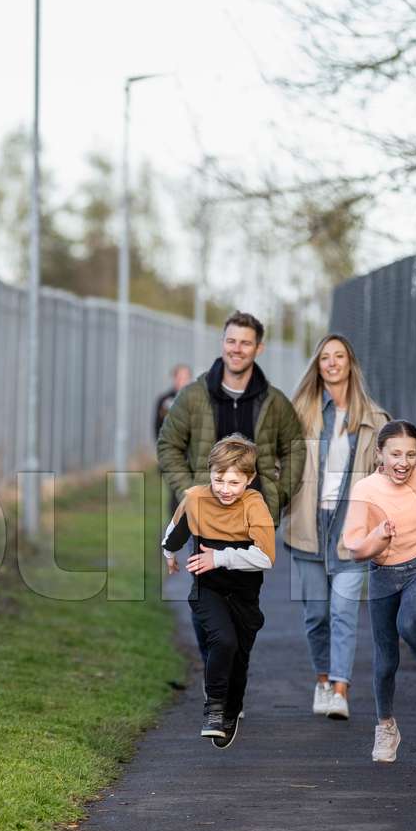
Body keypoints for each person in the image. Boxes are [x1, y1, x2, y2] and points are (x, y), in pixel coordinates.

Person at [284, 334, 390, 721]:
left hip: (352, 528)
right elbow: (277, 464)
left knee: (344, 609)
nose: (331, 363)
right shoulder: (298, 413)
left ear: (350, 363)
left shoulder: (374, 419)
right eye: (325, 357)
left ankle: (341, 689)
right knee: (317, 613)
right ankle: (324, 680)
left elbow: (391, 470)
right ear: (317, 365)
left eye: (339, 356)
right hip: (308, 524)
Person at [342, 420, 416, 763]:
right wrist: (376, 537)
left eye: (410, 454)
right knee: (385, 661)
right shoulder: (365, 490)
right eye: (395, 454)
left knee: (409, 623)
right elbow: (354, 547)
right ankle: (386, 725)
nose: (403, 462)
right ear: (380, 454)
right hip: (381, 577)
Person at [161, 435, 276, 749]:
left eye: (234, 482)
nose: (225, 489)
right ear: (209, 473)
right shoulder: (197, 499)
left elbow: (265, 557)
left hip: (244, 597)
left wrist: (219, 556)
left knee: (238, 658)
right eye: (219, 479)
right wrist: (169, 554)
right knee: (222, 640)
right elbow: (176, 528)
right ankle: (213, 710)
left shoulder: (255, 506)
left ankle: (230, 710)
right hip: (207, 590)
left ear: (249, 480)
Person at [156, 311, 305, 526]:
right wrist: (189, 493)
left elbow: (295, 448)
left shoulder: (275, 401)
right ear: (222, 343)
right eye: (231, 341)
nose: (236, 349)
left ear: (258, 348)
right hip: (204, 521)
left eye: (245, 343)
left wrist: (278, 494)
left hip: (254, 523)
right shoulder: (193, 395)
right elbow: (168, 445)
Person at [154, 364, 192, 514]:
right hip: (172, 455)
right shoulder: (165, 400)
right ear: (174, 378)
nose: (182, 381)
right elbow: (157, 428)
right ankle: (174, 526)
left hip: (190, 456)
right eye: (179, 377)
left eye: (186, 377)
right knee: (175, 492)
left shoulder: (196, 400)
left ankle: (189, 527)